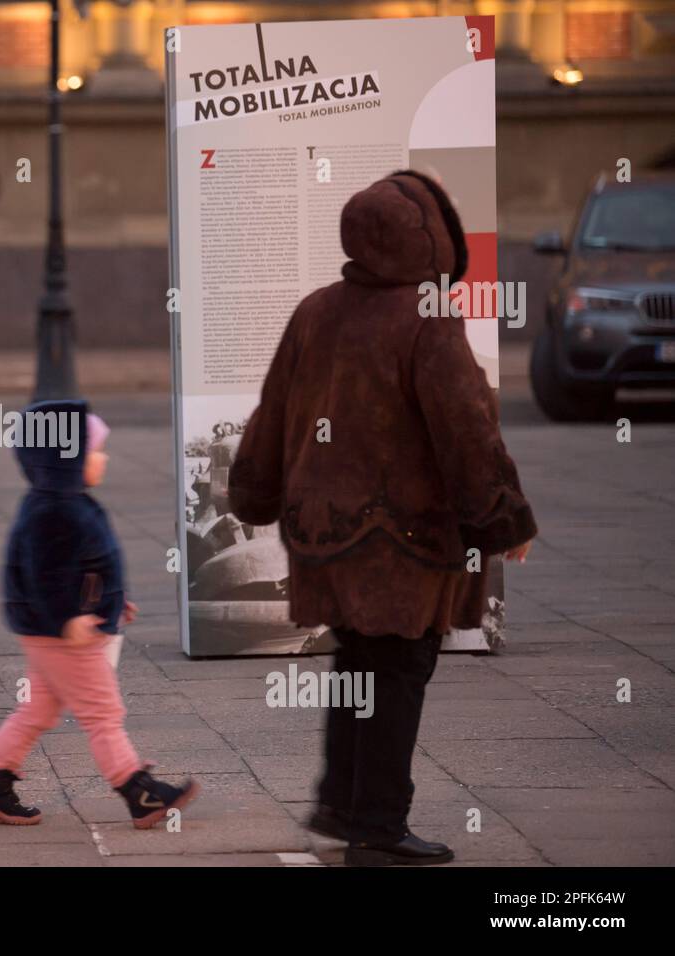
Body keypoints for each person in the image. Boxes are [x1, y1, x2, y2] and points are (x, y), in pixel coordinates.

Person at [227, 170, 537, 866]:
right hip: (404, 539)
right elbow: (466, 432)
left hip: (321, 532)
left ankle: (342, 803)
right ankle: (378, 825)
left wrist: (254, 492)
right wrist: (505, 519)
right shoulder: (427, 317)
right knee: (397, 667)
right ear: (430, 238)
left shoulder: (316, 309)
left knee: (360, 661)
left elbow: (271, 413)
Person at [0, 400, 200, 829]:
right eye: (95, 450)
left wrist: (112, 599)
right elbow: (47, 575)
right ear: (64, 458)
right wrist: (67, 618)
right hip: (63, 635)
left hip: (52, 631)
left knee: (37, 710)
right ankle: (140, 792)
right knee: (102, 713)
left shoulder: (64, 502)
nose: (104, 457)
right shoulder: (55, 510)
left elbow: (89, 565)